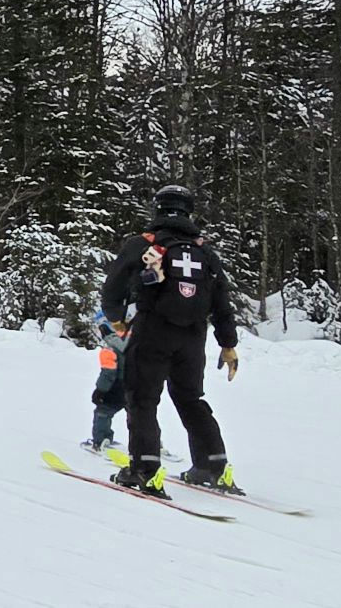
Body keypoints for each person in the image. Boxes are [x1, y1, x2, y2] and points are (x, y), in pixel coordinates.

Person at [102, 185, 242, 497]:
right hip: (193, 337)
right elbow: (222, 301)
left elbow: (112, 289)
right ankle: (212, 465)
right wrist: (228, 343)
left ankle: (144, 469)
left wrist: (117, 319)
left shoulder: (143, 244)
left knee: (142, 398)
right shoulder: (205, 252)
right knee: (190, 398)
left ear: (158, 209)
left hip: (153, 330)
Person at [83, 311, 130, 454]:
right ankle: (150, 444)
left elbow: (108, 373)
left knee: (103, 412)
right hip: (135, 385)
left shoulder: (108, 348)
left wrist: (100, 391)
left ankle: (101, 440)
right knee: (138, 415)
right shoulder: (133, 342)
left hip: (115, 388)